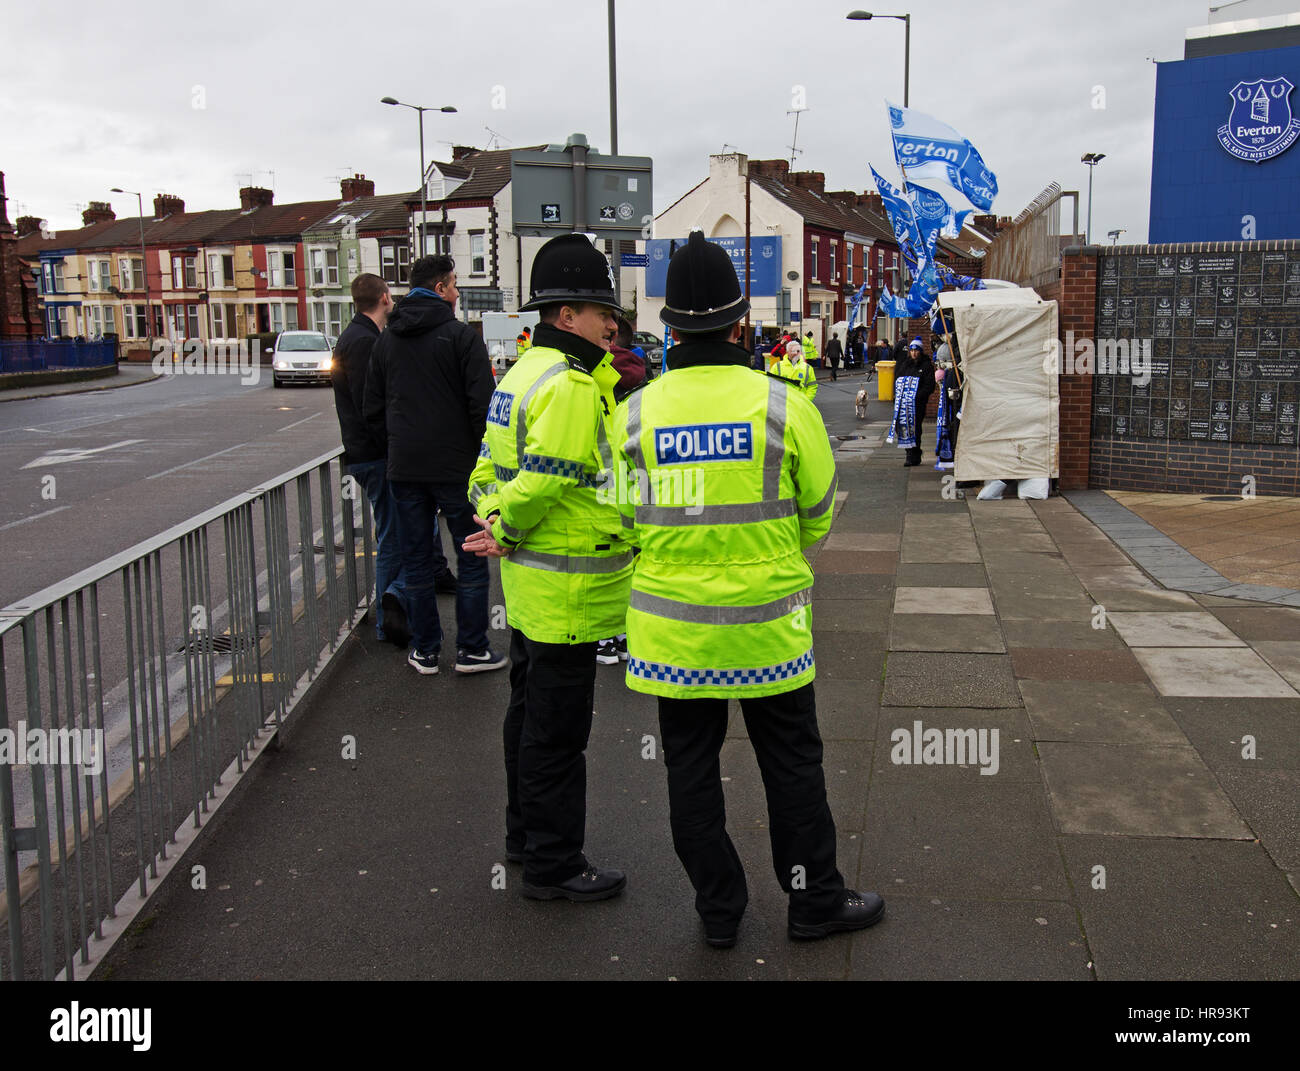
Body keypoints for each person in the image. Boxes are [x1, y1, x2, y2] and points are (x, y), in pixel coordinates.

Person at [612, 230, 884, 948]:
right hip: (769, 630)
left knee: (689, 771)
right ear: (741, 325)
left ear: (669, 327)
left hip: (674, 637)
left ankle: (719, 907)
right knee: (792, 766)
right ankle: (813, 901)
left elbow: (621, 516)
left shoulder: (633, 414)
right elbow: (820, 511)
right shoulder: (784, 406)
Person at [464, 233, 633, 902]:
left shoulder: (520, 373)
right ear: (567, 316)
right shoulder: (567, 385)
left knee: (527, 717)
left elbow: (483, 472)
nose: (610, 323)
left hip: (531, 586)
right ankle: (555, 864)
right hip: (569, 591)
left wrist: (492, 519)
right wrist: (506, 522)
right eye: (600, 312)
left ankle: (524, 837)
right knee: (558, 735)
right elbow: (544, 482)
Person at [363, 255, 504, 676]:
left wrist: (397, 444)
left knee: (417, 561)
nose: (459, 293)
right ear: (440, 289)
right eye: (455, 285)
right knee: (472, 557)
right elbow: (484, 407)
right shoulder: (461, 337)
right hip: (456, 470)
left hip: (404, 469)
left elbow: (371, 407)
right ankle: (472, 650)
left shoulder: (387, 340)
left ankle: (425, 651)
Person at [595, 316, 648, 665]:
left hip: (603, 472)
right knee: (632, 556)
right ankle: (627, 634)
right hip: (639, 473)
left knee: (603, 559)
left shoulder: (595, 376)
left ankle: (605, 638)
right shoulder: (642, 373)